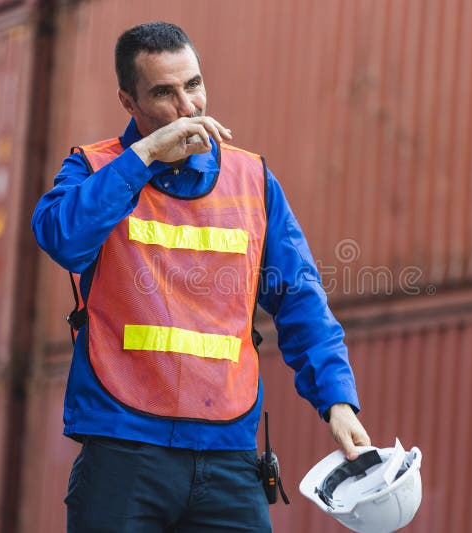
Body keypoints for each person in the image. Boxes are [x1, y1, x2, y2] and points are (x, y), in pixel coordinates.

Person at [31, 21, 370, 532]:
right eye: (163, 93)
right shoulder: (94, 170)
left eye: (193, 85)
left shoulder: (252, 180)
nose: (187, 107)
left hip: (228, 455)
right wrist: (144, 157)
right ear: (128, 101)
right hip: (123, 449)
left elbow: (300, 298)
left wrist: (337, 403)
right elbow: (62, 239)